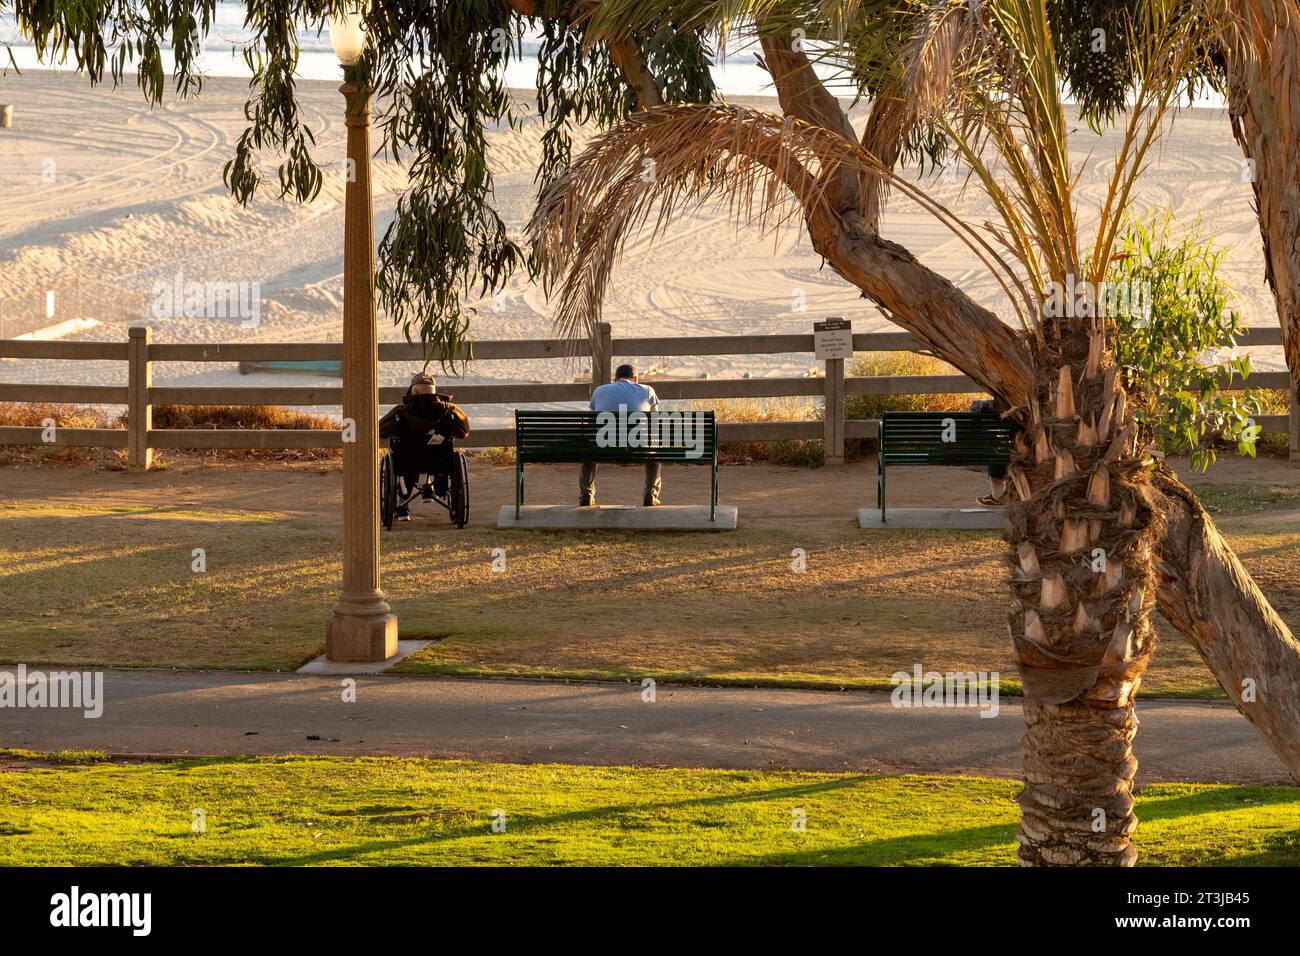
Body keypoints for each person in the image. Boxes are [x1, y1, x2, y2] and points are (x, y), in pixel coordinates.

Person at [379, 372, 471, 521]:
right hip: (439, 462)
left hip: (407, 463)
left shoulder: (400, 413)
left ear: (414, 391)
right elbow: (463, 433)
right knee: (440, 452)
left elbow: (381, 432)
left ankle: (403, 503)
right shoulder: (449, 411)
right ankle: (438, 491)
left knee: (403, 458)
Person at [581, 363, 662, 507]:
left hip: (604, 448)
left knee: (590, 447)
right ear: (635, 379)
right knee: (654, 449)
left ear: (614, 379)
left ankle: (587, 493)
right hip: (637, 448)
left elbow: (590, 425)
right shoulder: (648, 391)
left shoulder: (599, 391)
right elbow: (654, 426)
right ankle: (651, 494)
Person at [970, 397, 1009, 507]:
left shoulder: (999, 404)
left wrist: (980, 405)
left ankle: (997, 496)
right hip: (1018, 448)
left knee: (996, 451)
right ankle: (999, 495)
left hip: (972, 451)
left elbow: (975, 406)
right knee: (999, 449)